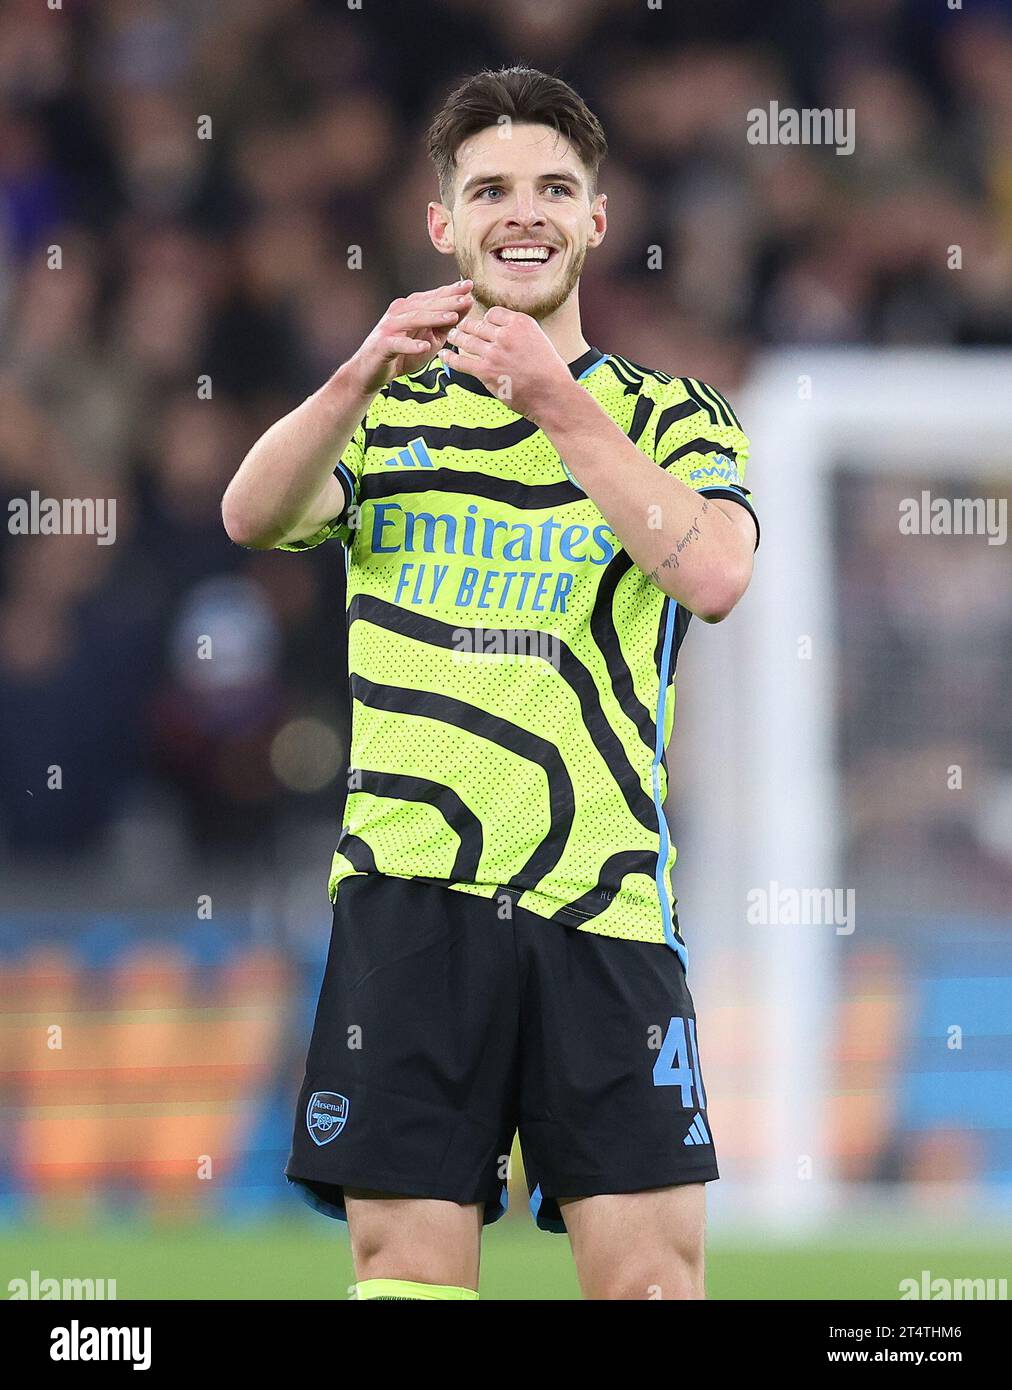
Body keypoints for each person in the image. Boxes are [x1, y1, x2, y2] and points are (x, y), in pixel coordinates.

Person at [222, 65, 759, 1302]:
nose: (525, 211)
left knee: (654, 1286)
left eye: (554, 188)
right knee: (410, 1279)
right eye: (492, 189)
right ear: (442, 224)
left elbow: (717, 574)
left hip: (603, 903)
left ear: (596, 221)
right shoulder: (382, 415)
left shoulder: (671, 417)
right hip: (413, 902)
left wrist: (553, 401)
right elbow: (251, 513)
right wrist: (363, 365)